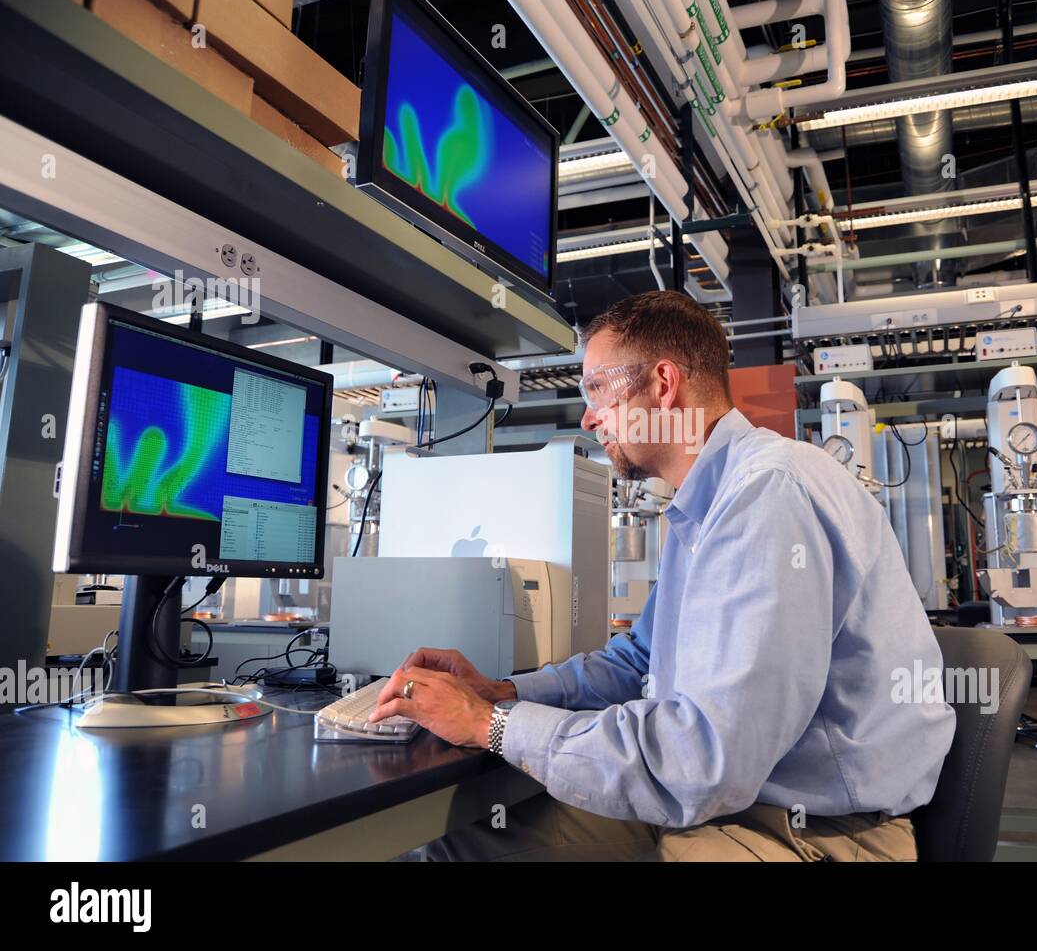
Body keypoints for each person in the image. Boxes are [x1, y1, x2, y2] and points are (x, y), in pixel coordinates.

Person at [369, 289, 955, 861]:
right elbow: (639, 661)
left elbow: (704, 759)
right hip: (735, 805)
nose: (589, 415)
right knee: (468, 833)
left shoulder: (766, 495)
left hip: (812, 832)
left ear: (664, 385)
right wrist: (508, 692)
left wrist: (491, 725)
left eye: (598, 388)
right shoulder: (704, 505)